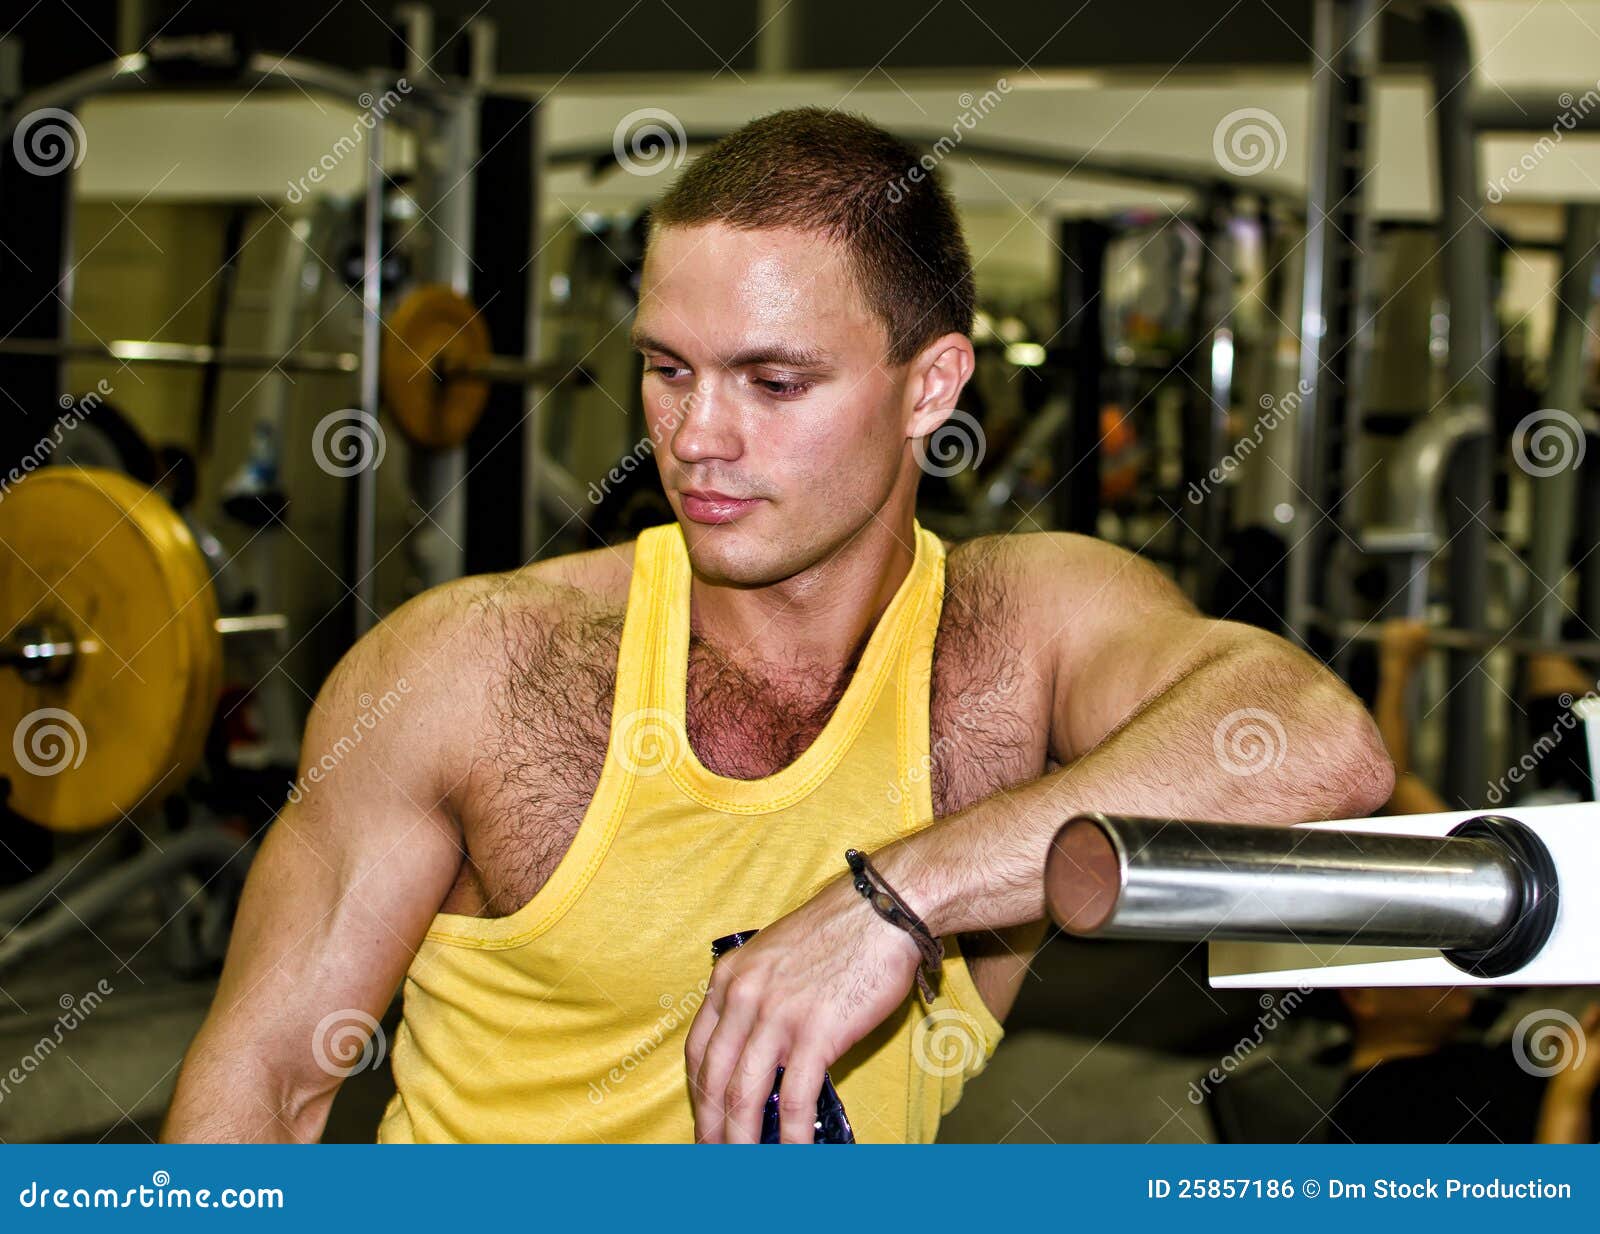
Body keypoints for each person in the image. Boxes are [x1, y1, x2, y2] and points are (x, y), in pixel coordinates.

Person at [162, 108, 1392, 1145]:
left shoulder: (1023, 625)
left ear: (933, 386)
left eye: (774, 381)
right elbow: (262, 1091)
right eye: (667, 368)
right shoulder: (469, 667)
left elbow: (1318, 742)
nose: (696, 435)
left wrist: (892, 902)